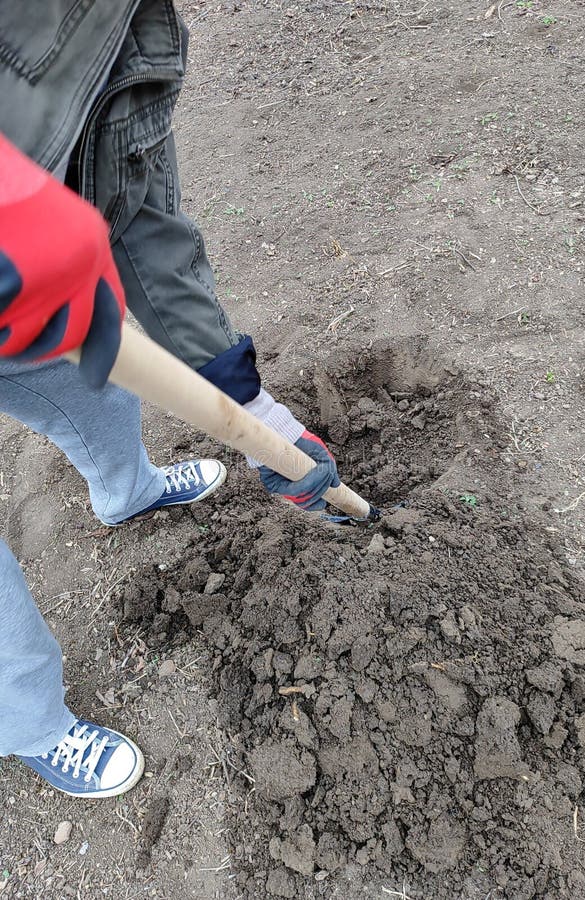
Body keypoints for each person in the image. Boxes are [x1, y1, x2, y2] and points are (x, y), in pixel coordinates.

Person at [0, 0, 343, 799]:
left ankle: (129, 492)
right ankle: (29, 724)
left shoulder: (126, 22)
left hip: (25, 288)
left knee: (88, 375)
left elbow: (145, 224)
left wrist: (252, 411)